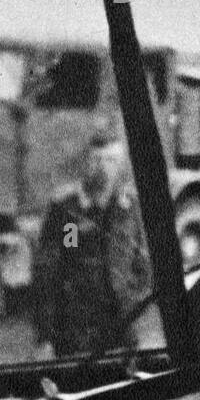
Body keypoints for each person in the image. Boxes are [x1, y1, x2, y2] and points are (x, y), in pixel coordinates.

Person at [32, 128, 152, 356]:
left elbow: (143, 264)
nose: (105, 168)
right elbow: (48, 275)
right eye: (98, 159)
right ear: (86, 162)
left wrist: (130, 300)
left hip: (122, 332)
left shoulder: (128, 207)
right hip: (76, 335)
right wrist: (45, 337)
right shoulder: (68, 210)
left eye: (112, 160)